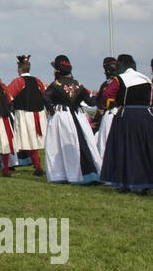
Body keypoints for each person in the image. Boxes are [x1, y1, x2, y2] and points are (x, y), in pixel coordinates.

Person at [99, 54, 153, 192]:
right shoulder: (146, 79)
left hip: (127, 116)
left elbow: (107, 94)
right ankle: (146, 183)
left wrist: (114, 103)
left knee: (125, 149)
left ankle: (125, 183)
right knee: (145, 150)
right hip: (146, 117)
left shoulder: (120, 79)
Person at [43, 55, 100, 184]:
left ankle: (64, 174)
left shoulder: (55, 85)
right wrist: (100, 95)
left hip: (62, 118)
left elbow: (46, 98)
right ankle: (89, 173)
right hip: (79, 118)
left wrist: (52, 111)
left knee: (60, 146)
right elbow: (91, 101)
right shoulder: (78, 85)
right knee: (83, 143)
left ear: (57, 71)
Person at [6, 54, 47, 174]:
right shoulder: (38, 80)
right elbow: (44, 94)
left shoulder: (18, 81)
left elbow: (8, 97)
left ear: (20, 69)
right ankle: (37, 165)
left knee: (25, 140)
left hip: (24, 113)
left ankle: (8, 166)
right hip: (39, 114)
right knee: (33, 140)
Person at [93, 57, 119, 158]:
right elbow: (99, 104)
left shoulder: (113, 84)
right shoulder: (105, 84)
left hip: (113, 116)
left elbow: (99, 104)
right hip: (108, 116)